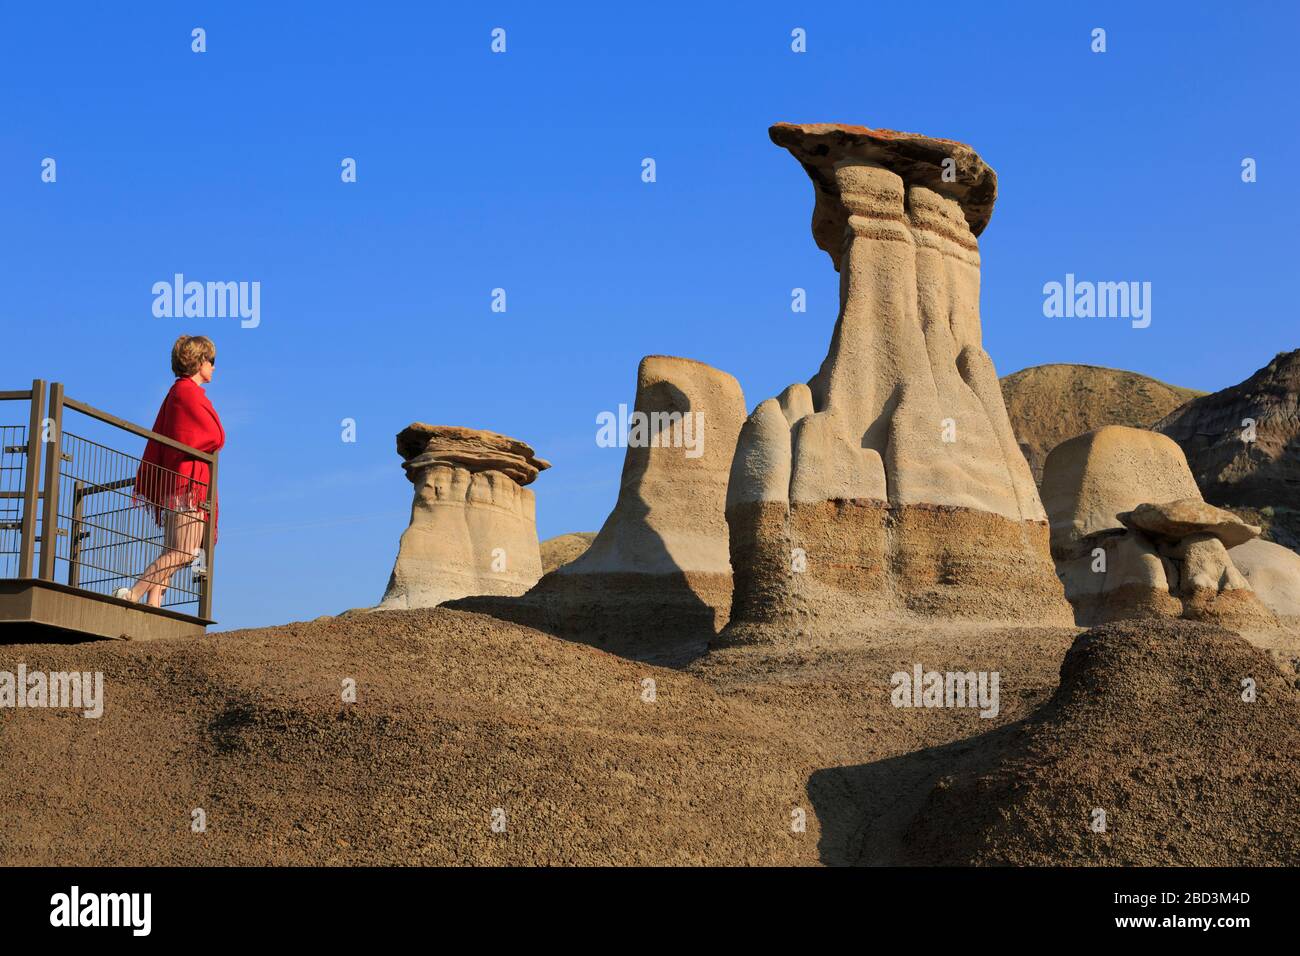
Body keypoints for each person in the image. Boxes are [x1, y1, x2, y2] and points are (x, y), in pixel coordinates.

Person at [115, 335, 225, 608]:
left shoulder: (179, 392)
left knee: (174, 550)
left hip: (181, 483)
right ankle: (134, 593)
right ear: (200, 362)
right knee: (184, 551)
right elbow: (214, 434)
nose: (214, 367)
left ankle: (153, 605)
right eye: (211, 361)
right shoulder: (187, 392)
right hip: (188, 485)